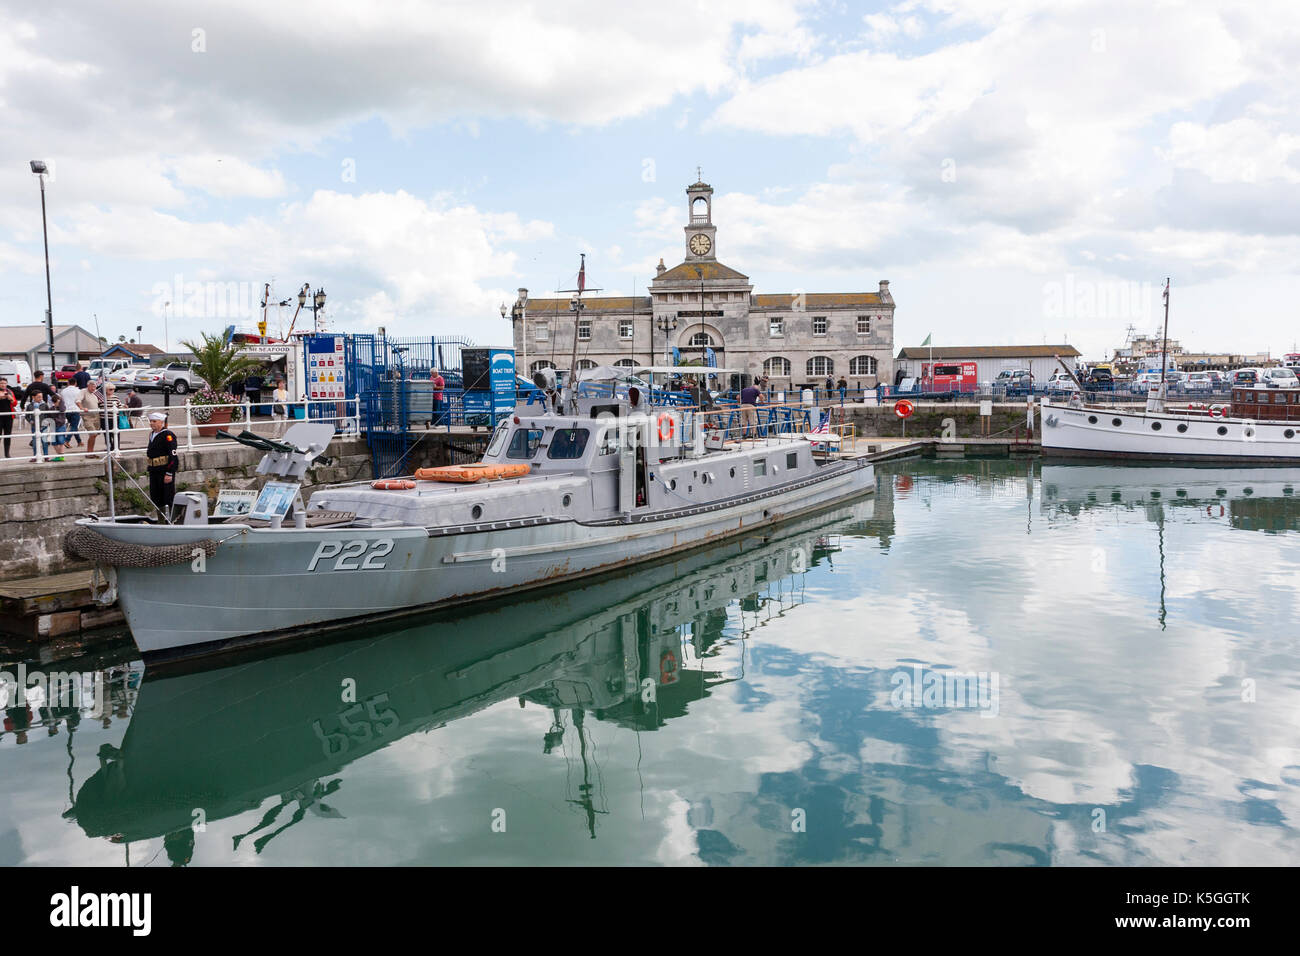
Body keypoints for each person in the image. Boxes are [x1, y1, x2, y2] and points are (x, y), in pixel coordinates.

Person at [145, 412, 179, 516]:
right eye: (151, 421)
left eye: (154, 421)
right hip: (154, 469)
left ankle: (170, 518)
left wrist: (169, 473)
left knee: (167, 496)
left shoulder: (168, 435)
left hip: (164, 470)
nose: (152, 423)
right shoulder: (152, 434)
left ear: (161, 422)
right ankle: (161, 517)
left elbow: (173, 455)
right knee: (155, 496)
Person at [80, 382, 102, 458]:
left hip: (96, 415)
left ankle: (90, 452)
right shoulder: (83, 391)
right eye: (92, 387)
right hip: (87, 416)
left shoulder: (96, 393)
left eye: (94, 387)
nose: (93, 388)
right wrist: (82, 408)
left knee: (94, 435)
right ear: (88, 386)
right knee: (93, 434)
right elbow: (77, 401)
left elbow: (102, 401)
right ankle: (89, 453)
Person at [60, 379, 83, 448]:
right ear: (75, 383)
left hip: (67, 410)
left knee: (73, 426)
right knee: (74, 426)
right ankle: (67, 440)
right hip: (75, 410)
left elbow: (62, 400)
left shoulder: (63, 391)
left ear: (68, 383)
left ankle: (79, 441)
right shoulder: (78, 391)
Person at [102, 384, 123, 454]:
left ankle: (116, 448)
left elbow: (120, 407)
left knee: (116, 433)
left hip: (114, 419)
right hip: (104, 419)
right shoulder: (101, 398)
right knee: (107, 434)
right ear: (105, 390)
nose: (112, 391)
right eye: (110, 389)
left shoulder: (116, 398)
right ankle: (110, 448)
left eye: (113, 389)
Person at [0, 377, 18, 458]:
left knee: (8, 435)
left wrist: (11, 399)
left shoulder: (9, 391)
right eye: (1, 383)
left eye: (4, 383)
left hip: (8, 416)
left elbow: (15, 403)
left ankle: (7, 453)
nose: (3, 385)